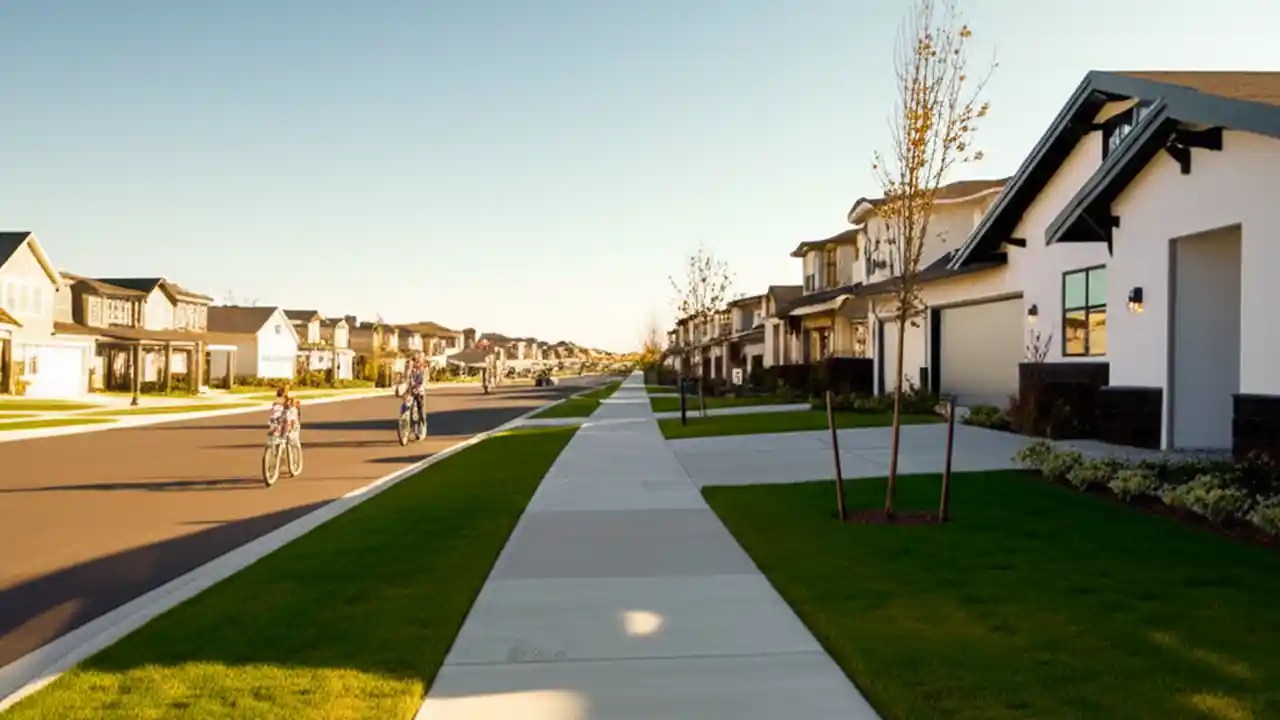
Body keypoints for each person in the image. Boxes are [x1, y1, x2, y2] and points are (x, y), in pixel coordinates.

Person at [407, 354, 428, 432]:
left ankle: (422, 422)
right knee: (408, 405)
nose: (416, 363)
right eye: (414, 360)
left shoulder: (424, 369)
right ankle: (408, 424)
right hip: (410, 389)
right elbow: (406, 377)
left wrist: (420, 387)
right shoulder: (410, 368)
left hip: (419, 389)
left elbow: (425, 380)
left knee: (420, 406)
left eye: (418, 361)